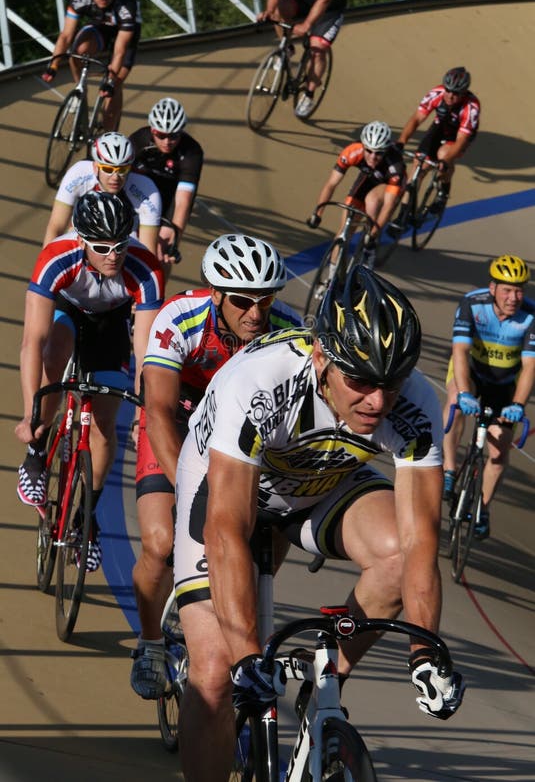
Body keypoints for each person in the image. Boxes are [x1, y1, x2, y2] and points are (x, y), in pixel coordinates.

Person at [173, 265, 465, 782]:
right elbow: (225, 530)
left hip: (316, 485)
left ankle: (324, 676)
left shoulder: (414, 403)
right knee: (217, 677)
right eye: (359, 381)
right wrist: (246, 657)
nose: (377, 401)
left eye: (390, 384)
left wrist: (426, 651)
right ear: (320, 356)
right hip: (230, 489)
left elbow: (421, 538)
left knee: (398, 552)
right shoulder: (259, 384)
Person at [130, 233, 302, 699]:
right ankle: (150, 643)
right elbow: (160, 409)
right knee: (163, 542)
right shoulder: (180, 318)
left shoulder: (288, 327)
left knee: (262, 541)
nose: (255, 314)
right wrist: (188, 489)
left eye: (265, 301)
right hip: (182, 419)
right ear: (217, 294)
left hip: (244, 433)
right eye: (243, 301)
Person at [16, 192, 164, 573]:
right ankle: (36, 452)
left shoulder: (145, 269)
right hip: (67, 309)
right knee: (54, 350)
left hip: (111, 324)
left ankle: (86, 516)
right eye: (102, 247)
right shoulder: (56, 257)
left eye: (120, 245)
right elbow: (32, 340)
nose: (113, 255)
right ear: (81, 240)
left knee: (103, 427)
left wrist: (142, 415)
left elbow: (146, 352)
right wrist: (31, 412)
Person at [442, 254, 535, 540]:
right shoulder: (473, 303)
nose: (514, 297)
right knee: (456, 401)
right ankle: (448, 468)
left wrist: (518, 405)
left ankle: (482, 506)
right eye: (507, 289)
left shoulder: (531, 317)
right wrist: (466, 393)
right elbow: (459, 351)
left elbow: (531, 366)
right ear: (492, 288)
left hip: (504, 383)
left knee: (499, 449)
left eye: (519, 289)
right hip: (471, 372)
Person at [257, 0, 346, 119]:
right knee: (279, 10)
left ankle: (309, 93)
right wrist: (269, 11)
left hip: (329, 10)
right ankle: (286, 49)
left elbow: (323, 0)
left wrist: (306, 26)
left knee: (317, 47)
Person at [42, 0, 141, 131]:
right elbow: (66, 36)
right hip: (101, 26)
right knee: (77, 50)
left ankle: (108, 135)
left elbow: (119, 51)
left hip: (125, 35)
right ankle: (80, 89)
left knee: (114, 86)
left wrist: (110, 81)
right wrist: (53, 65)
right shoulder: (80, 0)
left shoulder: (126, 7)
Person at [390, 66, 480, 233]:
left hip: (459, 135)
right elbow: (417, 118)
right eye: (448, 90)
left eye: (456, 93)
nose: (450, 96)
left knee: (443, 155)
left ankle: (443, 191)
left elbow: (461, 140)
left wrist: (445, 161)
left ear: (464, 93)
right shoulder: (437, 93)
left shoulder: (471, 107)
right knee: (418, 169)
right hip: (440, 127)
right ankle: (402, 216)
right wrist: (401, 141)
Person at [43, 131, 162, 257]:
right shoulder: (78, 174)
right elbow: (56, 227)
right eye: (108, 169)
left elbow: (147, 252)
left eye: (122, 170)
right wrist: (46, 262)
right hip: (84, 233)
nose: (115, 177)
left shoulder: (146, 190)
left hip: (124, 239)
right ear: (95, 167)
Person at [307, 121, 406, 270]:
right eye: (369, 151)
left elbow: (389, 205)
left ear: (386, 150)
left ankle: (370, 246)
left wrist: (373, 233)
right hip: (368, 178)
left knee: (372, 201)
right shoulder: (353, 151)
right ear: (363, 146)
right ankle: (331, 280)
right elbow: (331, 184)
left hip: (389, 183)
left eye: (378, 153)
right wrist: (318, 213)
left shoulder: (395, 165)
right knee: (343, 233)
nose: (373, 157)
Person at [129, 97, 204, 277]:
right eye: (160, 135)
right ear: (151, 130)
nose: (167, 141)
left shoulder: (192, 151)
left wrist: (173, 233)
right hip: (138, 190)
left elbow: (183, 201)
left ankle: (158, 291)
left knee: (161, 253)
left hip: (169, 197)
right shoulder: (140, 138)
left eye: (174, 135)